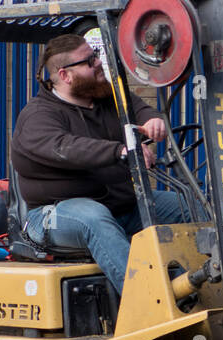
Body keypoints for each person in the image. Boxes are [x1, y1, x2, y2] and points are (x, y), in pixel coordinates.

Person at [11, 33, 188, 295]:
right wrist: (120, 150)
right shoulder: (38, 117)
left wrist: (153, 121)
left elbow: (138, 108)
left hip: (120, 207)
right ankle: (149, 301)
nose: (98, 64)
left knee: (187, 205)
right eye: (89, 61)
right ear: (65, 75)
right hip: (52, 216)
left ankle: (204, 286)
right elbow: (66, 148)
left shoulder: (107, 98)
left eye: (95, 56)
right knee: (93, 217)